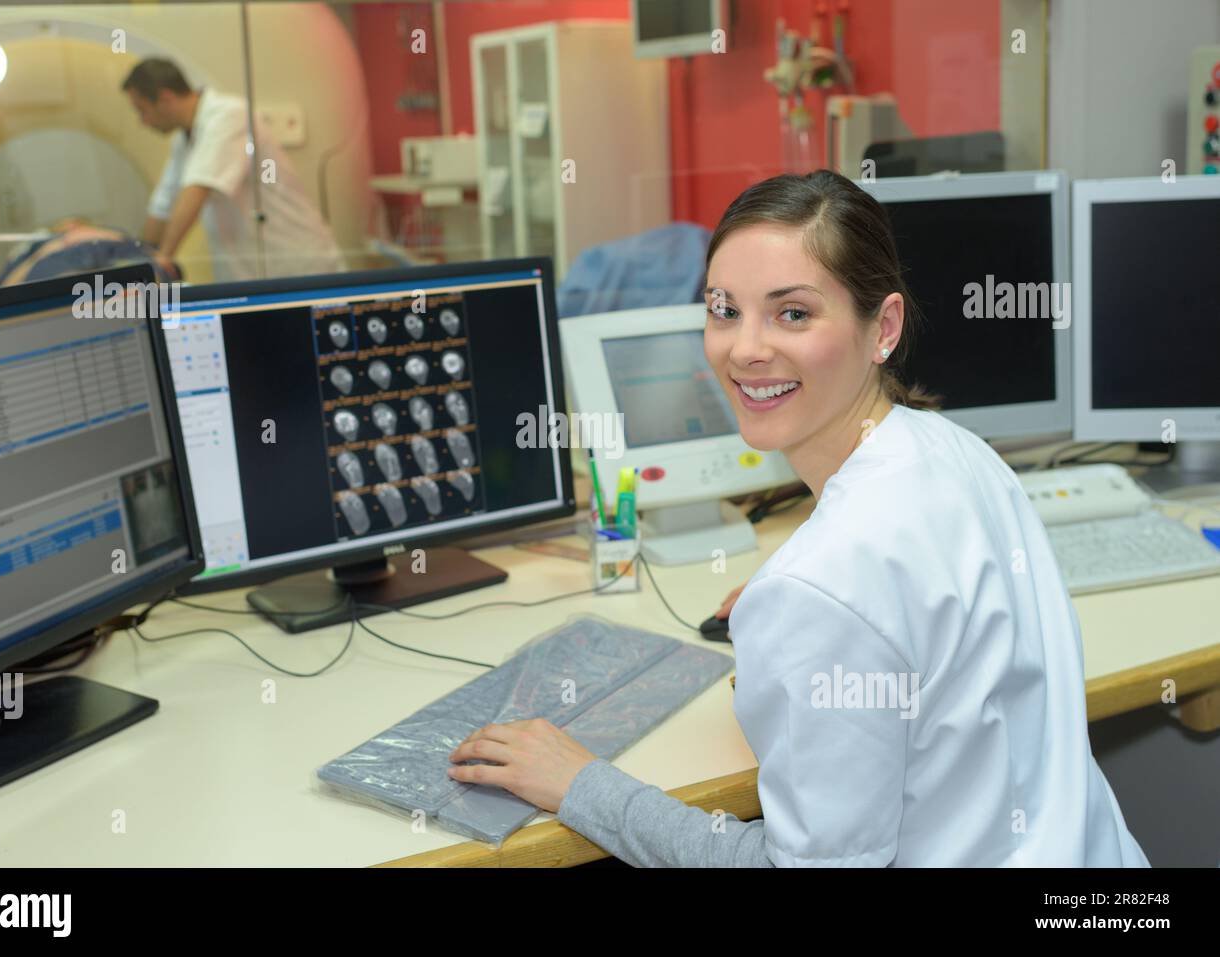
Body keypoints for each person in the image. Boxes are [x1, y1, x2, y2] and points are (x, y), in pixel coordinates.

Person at [446, 170, 1150, 867]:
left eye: (793, 313)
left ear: (885, 328)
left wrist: (582, 784)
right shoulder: (960, 453)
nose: (745, 348)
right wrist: (812, 626)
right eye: (724, 309)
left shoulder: (824, 582)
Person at [122, 58, 345, 281]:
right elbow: (163, 205)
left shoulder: (230, 116)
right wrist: (142, 257)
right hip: (248, 270)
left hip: (296, 263)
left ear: (165, 99)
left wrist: (163, 260)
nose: (142, 122)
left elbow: (198, 188)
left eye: (142, 111)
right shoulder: (184, 139)